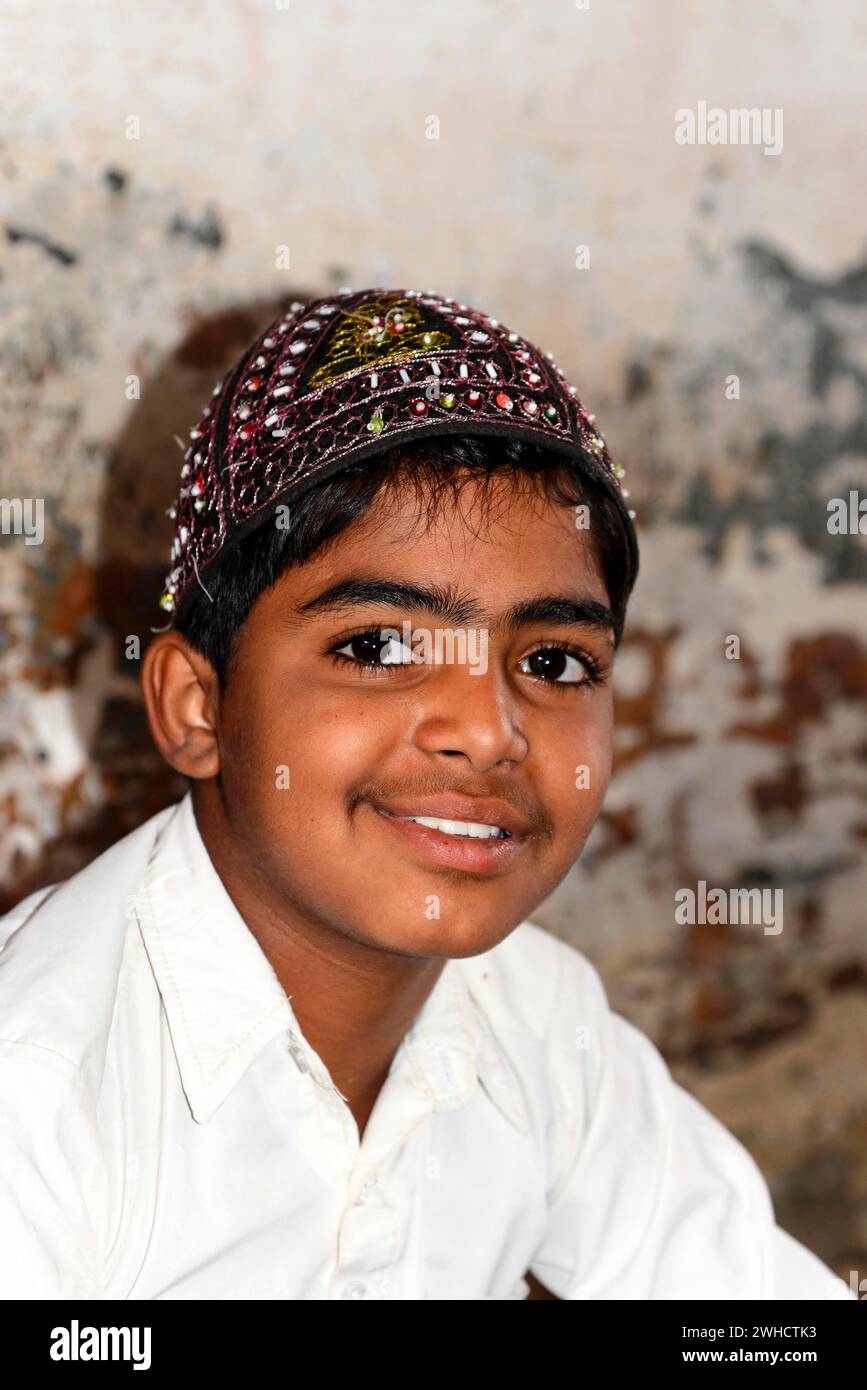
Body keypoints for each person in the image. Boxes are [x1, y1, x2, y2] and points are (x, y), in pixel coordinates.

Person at [0, 289, 853, 1299]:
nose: (491, 730)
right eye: (379, 646)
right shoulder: (42, 1090)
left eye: (555, 659)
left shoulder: (534, 1019)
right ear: (198, 707)